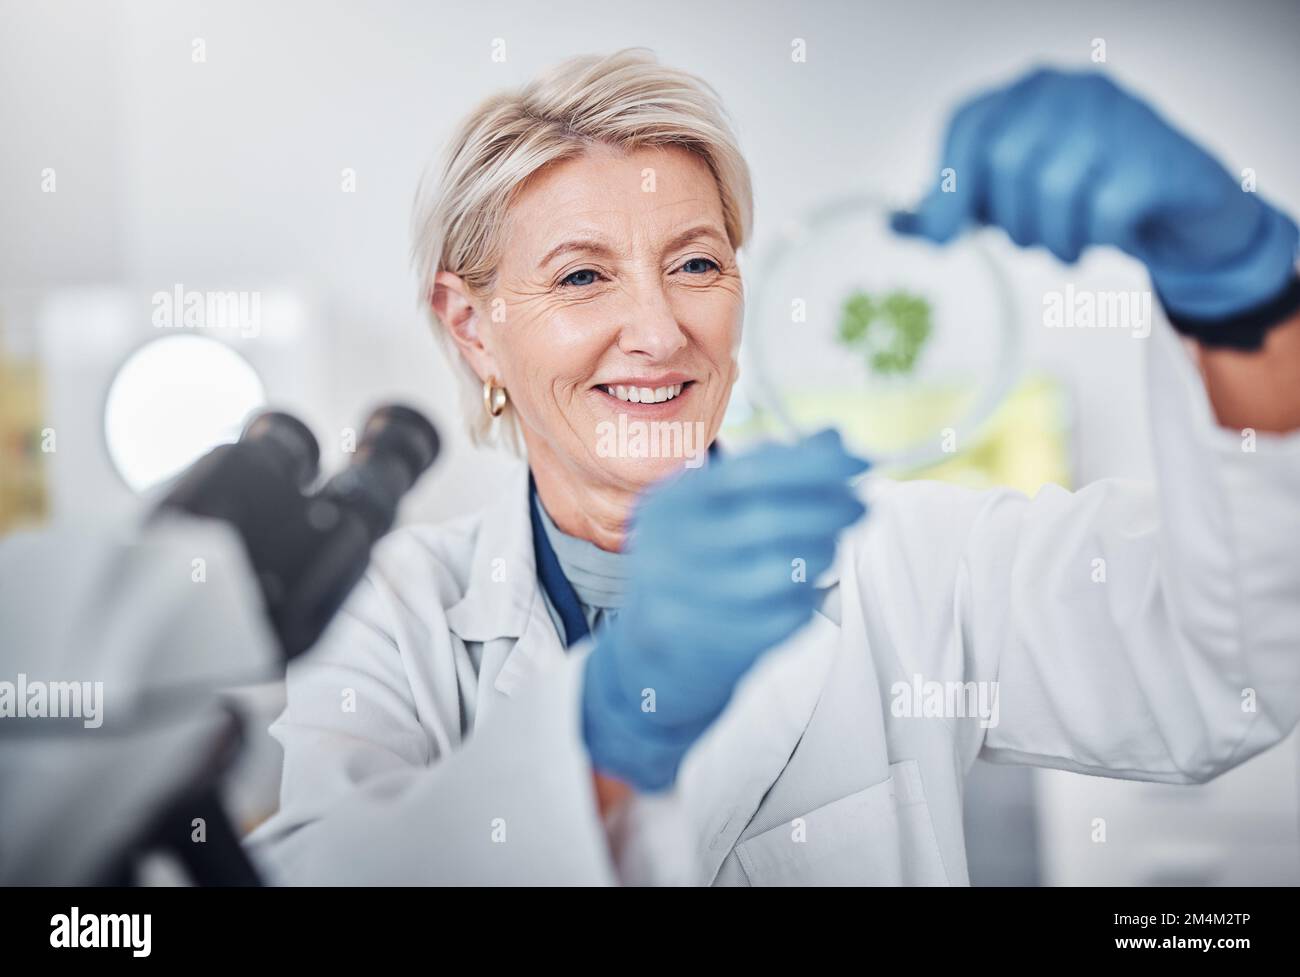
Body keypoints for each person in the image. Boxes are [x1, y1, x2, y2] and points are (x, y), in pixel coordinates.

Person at [245, 50, 1300, 885]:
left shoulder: (903, 560)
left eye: (696, 263)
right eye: (581, 276)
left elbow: (1225, 670)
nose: (658, 331)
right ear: (471, 325)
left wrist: (1244, 289)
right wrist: (613, 720)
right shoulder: (391, 609)